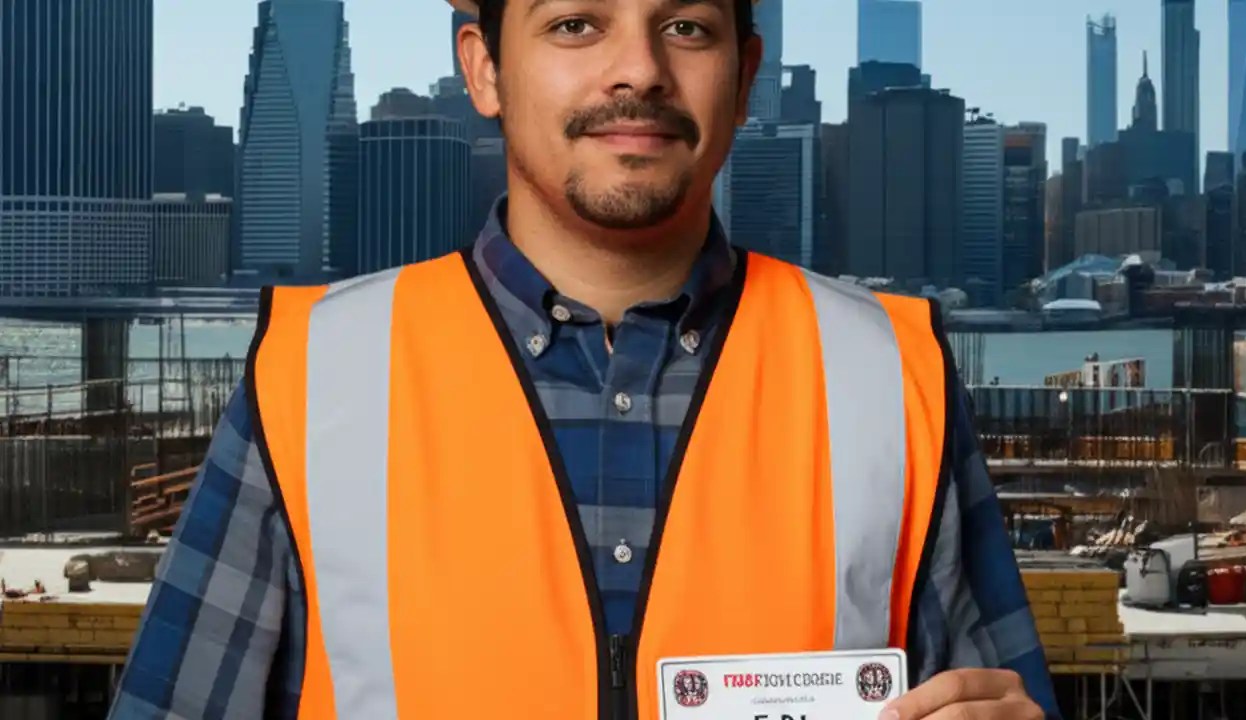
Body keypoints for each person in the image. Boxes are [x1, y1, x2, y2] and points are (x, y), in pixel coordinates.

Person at [109, 0, 1060, 718]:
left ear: (744, 76)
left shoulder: (889, 374)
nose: (638, 70)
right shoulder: (316, 375)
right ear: (483, 68)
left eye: (685, 27)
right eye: (575, 25)